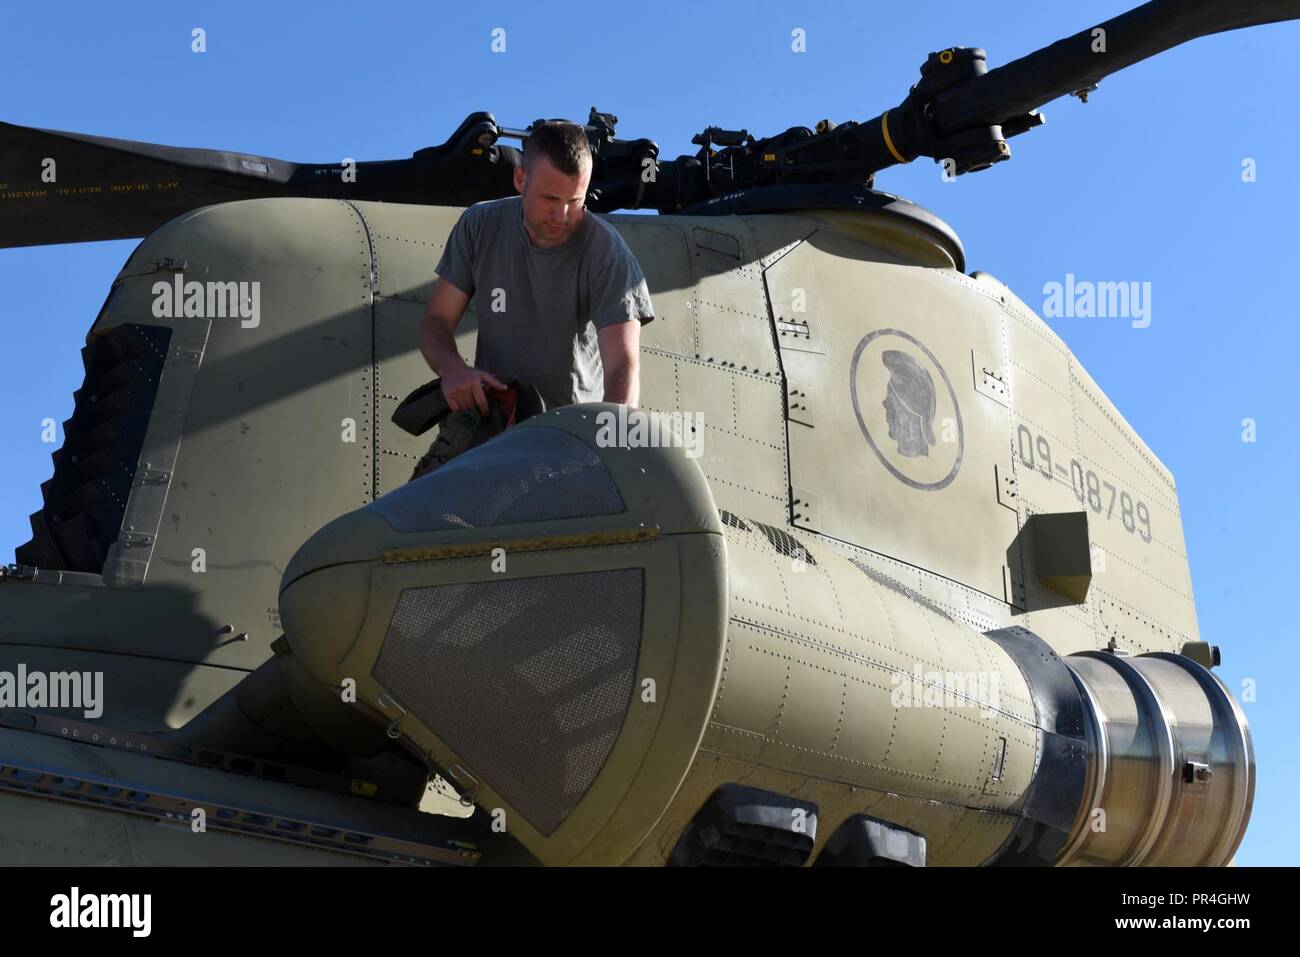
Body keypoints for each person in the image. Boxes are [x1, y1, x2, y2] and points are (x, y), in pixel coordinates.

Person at [412, 120, 654, 480]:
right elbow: (437, 323)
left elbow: (622, 365)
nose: (563, 216)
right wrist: (454, 371)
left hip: (569, 442)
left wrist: (608, 451)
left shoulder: (608, 255)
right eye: (551, 199)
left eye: (576, 200)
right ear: (521, 180)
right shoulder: (479, 226)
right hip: (493, 425)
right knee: (421, 512)